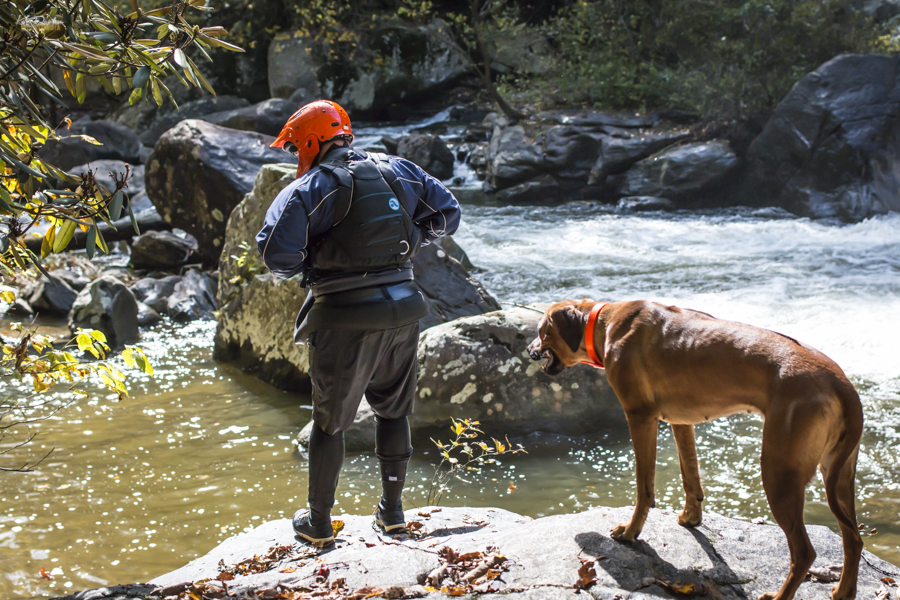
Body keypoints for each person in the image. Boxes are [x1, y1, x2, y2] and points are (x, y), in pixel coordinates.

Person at [256, 100, 461, 546]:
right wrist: (409, 244)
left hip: (344, 318)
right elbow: (448, 214)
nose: (296, 157)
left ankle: (319, 525)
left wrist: (312, 260)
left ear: (310, 142)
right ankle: (392, 514)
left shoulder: (310, 187)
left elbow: (276, 255)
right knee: (394, 410)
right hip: (405, 309)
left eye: (296, 148)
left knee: (330, 422)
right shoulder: (400, 169)